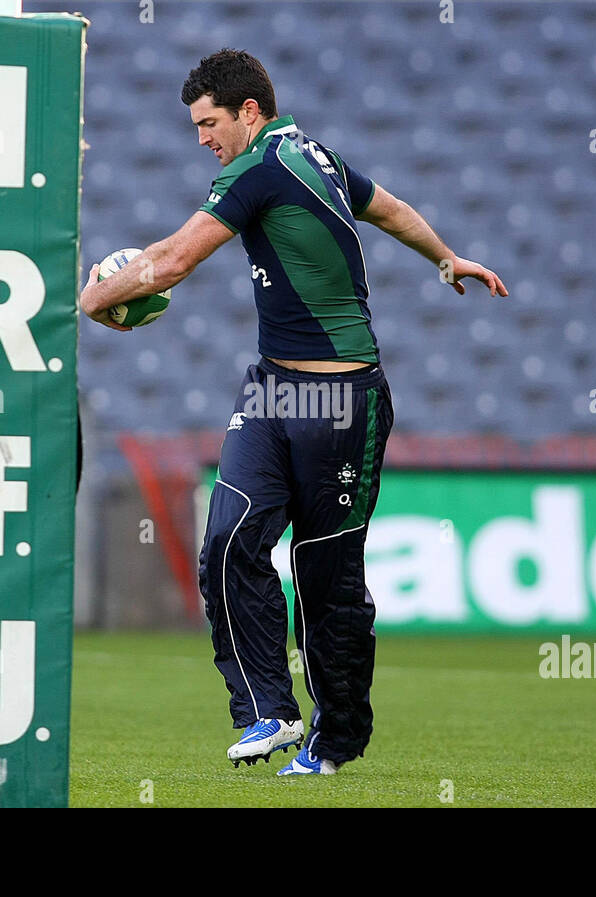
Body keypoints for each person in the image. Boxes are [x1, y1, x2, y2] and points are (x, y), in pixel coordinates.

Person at [78, 48, 507, 775]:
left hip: (344, 401)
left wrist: (90, 299)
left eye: (209, 122)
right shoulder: (315, 157)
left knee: (326, 581)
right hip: (274, 391)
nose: (203, 138)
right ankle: (267, 710)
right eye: (194, 127)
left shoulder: (262, 167)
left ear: (249, 111)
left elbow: (177, 261)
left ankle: (335, 739)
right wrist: (445, 257)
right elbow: (392, 210)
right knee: (228, 540)